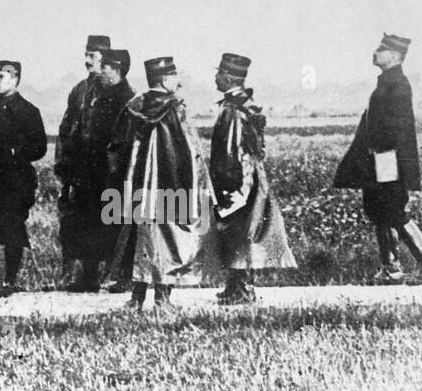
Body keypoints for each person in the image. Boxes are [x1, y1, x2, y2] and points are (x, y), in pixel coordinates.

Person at [333, 34, 422, 284]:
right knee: (378, 210)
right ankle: (391, 269)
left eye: (381, 49)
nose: (375, 52)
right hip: (380, 159)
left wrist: (382, 158)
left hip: (387, 160)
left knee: (392, 210)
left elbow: (396, 131)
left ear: (394, 56)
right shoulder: (386, 84)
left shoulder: (398, 86)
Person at [107, 56, 211, 311]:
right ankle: (162, 300)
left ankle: (136, 298)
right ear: (165, 80)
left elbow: (116, 148)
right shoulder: (175, 109)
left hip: (136, 187)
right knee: (167, 240)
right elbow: (188, 151)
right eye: (175, 77)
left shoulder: (134, 106)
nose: (179, 82)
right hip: (169, 186)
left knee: (139, 239)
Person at [208, 53, 296, 304]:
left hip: (238, 178)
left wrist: (226, 182)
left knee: (239, 230)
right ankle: (236, 284)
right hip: (250, 176)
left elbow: (231, 150)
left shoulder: (234, 109)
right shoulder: (246, 104)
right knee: (243, 229)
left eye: (218, 74)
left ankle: (241, 288)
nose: (215, 78)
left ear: (227, 77)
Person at [0, 60, 48, 294]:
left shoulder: (29, 111)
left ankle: (10, 280)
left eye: (2, 76)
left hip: (15, 181)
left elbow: (40, 147)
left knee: (13, 229)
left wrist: (16, 152)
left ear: (15, 80)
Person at [54, 34, 111, 287]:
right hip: (80, 171)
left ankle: (110, 276)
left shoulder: (113, 90)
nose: (87, 61)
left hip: (104, 170)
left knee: (107, 221)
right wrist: (63, 165)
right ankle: (83, 277)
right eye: (86, 55)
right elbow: (66, 129)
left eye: (93, 56)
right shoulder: (79, 91)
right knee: (80, 221)